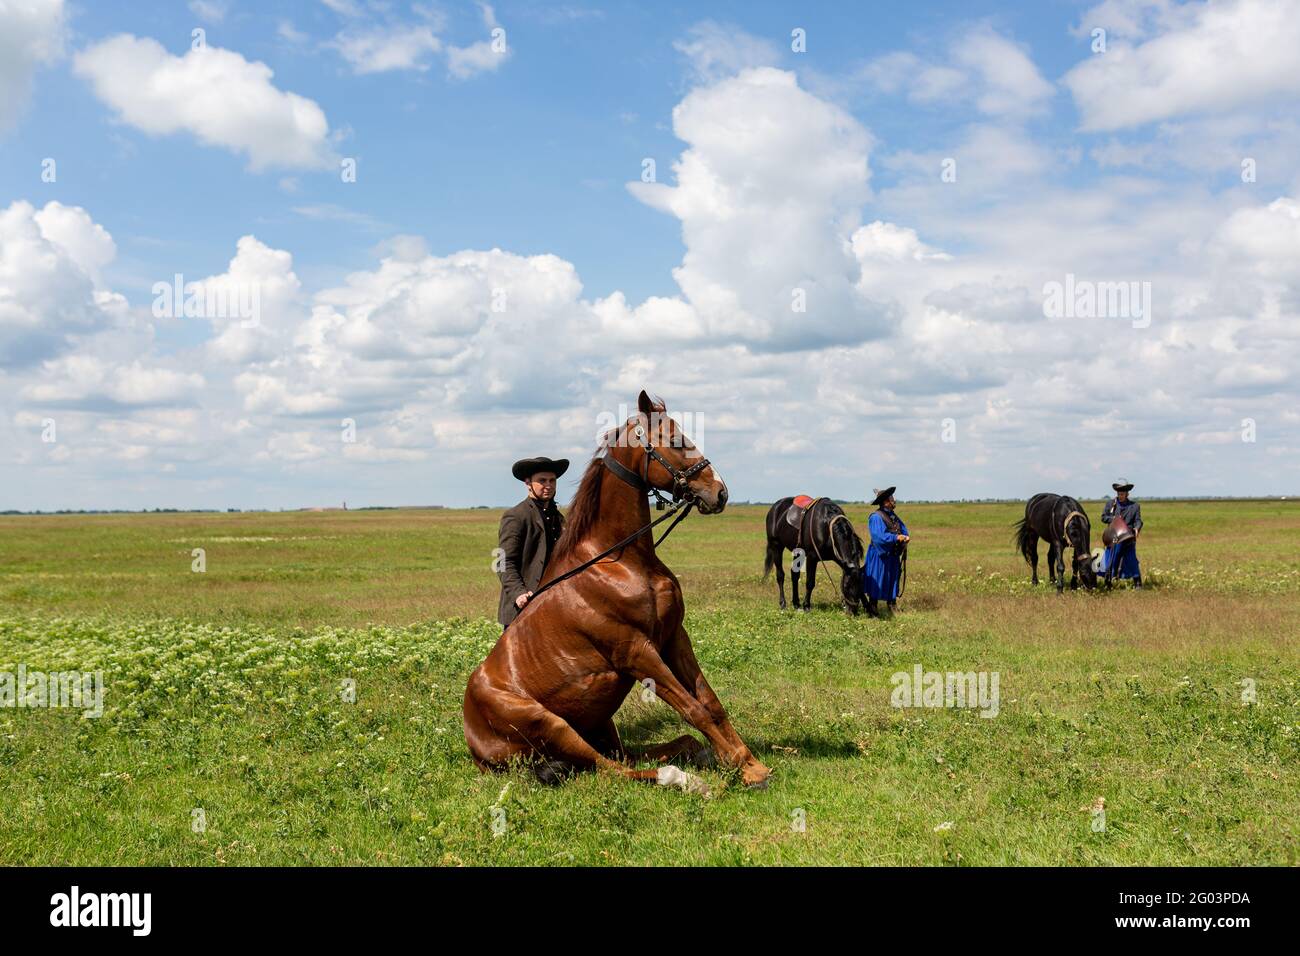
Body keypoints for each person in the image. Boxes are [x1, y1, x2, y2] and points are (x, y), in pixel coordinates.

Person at [496, 456, 568, 628]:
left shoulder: (559, 518)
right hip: (523, 607)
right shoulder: (516, 516)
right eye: (542, 480)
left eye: (552, 480)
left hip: (553, 605)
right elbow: (503, 562)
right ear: (528, 483)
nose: (548, 485)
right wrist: (518, 593)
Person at [861, 486, 910, 617]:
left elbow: (903, 529)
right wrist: (896, 537)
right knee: (877, 579)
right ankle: (872, 608)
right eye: (892, 498)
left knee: (893, 579)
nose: (894, 500)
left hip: (892, 555)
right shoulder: (876, 517)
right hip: (879, 555)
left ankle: (892, 604)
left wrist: (905, 536)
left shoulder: (893, 516)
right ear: (886, 502)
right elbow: (878, 537)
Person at [1100, 478, 1143, 589]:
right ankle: (1108, 582)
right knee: (1110, 559)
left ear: (1127, 493)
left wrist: (1137, 528)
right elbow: (1104, 518)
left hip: (1128, 537)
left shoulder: (1135, 506)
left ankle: (1137, 582)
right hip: (1113, 537)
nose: (1121, 495)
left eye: (1123, 493)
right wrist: (1114, 519)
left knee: (1132, 559)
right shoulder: (1110, 504)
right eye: (1119, 493)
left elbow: (1138, 520)